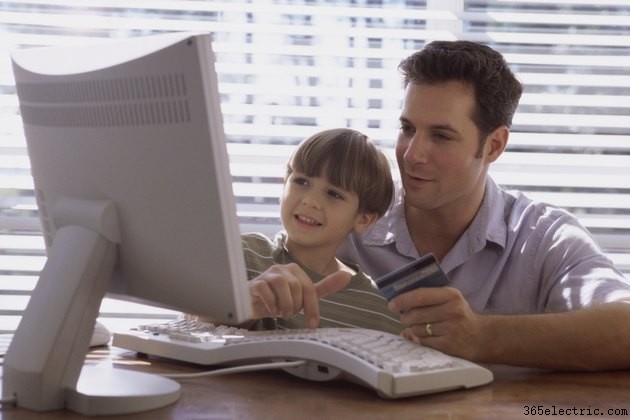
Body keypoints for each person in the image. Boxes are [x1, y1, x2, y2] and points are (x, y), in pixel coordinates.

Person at [336, 40, 630, 371]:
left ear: (494, 145)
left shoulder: (545, 237)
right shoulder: (344, 221)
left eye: (441, 136)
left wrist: (482, 336)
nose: (412, 155)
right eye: (407, 129)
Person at [190, 128, 402, 335]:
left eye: (334, 194)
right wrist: (241, 304)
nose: (310, 200)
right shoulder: (240, 255)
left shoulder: (379, 309)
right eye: (301, 181)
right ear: (285, 184)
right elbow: (188, 327)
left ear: (364, 218)